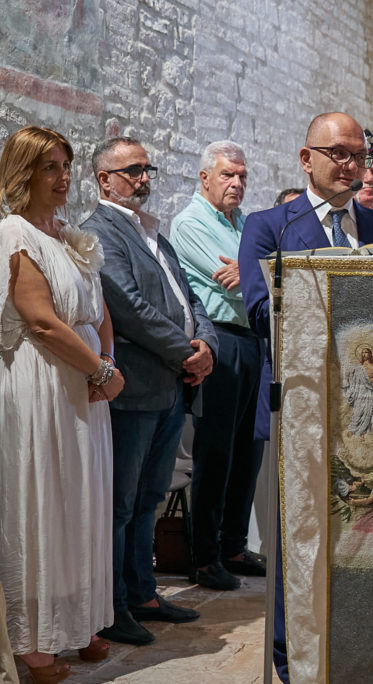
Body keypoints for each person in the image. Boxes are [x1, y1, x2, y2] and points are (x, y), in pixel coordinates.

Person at [238, 111, 373, 683]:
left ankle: (368, 646)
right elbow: (262, 313)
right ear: (305, 158)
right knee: (301, 540)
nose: (349, 164)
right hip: (302, 411)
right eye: (336, 153)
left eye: (357, 154)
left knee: (370, 535)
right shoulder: (271, 228)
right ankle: (295, 661)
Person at [0, 126, 126, 682]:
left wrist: (107, 368)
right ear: (22, 173)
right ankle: (35, 640)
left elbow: (97, 311)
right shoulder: (14, 233)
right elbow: (43, 322)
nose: (64, 176)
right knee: (44, 503)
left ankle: (78, 623)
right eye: (50, 167)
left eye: (66, 165)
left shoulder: (68, 234)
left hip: (85, 387)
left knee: (83, 504)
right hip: (43, 385)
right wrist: (98, 369)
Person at [83, 136, 218, 646]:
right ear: (104, 180)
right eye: (132, 170)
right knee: (120, 503)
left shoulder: (153, 232)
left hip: (169, 390)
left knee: (150, 501)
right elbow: (127, 306)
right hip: (135, 389)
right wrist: (186, 352)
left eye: (146, 169)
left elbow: (190, 297)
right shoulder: (99, 232)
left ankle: (142, 592)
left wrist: (206, 342)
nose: (143, 178)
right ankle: (111, 605)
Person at [170, 141, 265, 592]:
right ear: (205, 177)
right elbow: (223, 280)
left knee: (249, 449)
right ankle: (205, 557)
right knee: (217, 451)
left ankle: (233, 544)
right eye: (228, 175)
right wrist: (258, 273)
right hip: (221, 340)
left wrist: (255, 272)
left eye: (243, 176)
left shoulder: (243, 222)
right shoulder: (190, 222)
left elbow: (253, 276)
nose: (237, 183)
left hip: (253, 340)